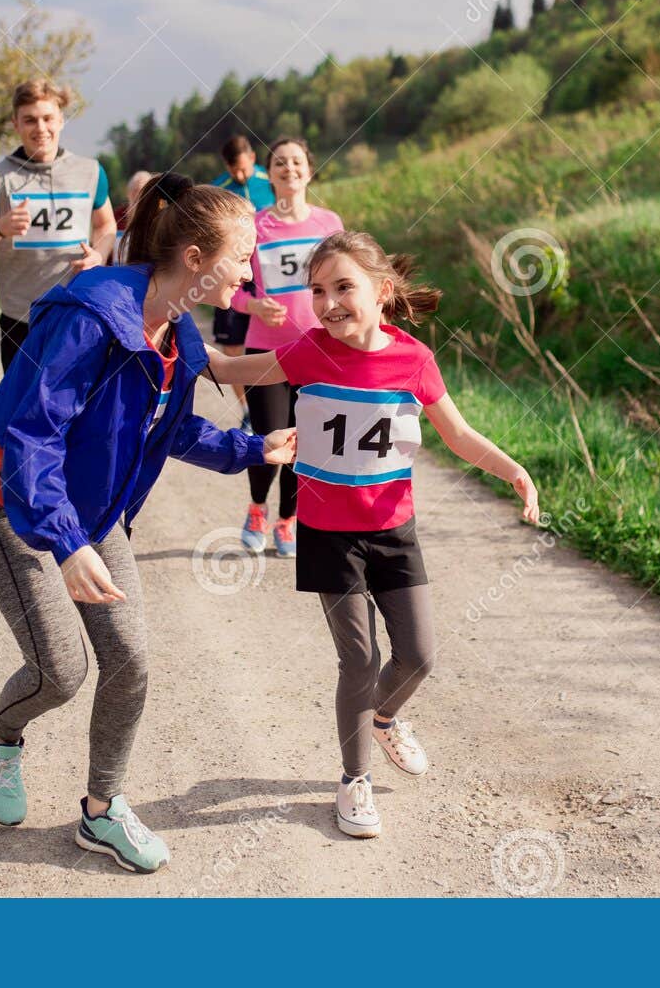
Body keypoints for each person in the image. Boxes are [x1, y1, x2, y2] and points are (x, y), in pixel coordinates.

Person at [0, 174, 296, 873]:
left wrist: (251, 449)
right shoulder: (91, 315)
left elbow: (170, 427)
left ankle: (101, 808)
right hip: (10, 503)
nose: (250, 270)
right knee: (63, 670)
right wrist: (68, 541)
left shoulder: (175, 328)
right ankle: (1, 731)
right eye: (243, 256)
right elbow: (31, 436)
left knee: (131, 661)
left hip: (88, 508)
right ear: (198, 257)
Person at [208, 231, 539, 840]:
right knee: (358, 658)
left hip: (392, 531)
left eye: (343, 288)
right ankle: (353, 780)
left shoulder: (413, 359)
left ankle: (384, 718)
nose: (328, 302)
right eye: (317, 291)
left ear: (382, 292)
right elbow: (229, 367)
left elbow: (459, 437)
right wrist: (169, 330)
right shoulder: (309, 351)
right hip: (329, 533)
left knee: (418, 656)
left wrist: (514, 470)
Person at [226, 137, 343, 558]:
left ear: (309, 170)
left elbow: (345, 283)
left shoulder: (330, 224)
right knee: (267, 439)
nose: (288, 168)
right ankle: (257, 508)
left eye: (296, 162)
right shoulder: (254, 226)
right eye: (280, 162)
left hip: (318, 351)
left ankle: (287, 520)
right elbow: (233, 288)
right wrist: (253, 304)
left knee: (305, 443)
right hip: (266, 352)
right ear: (268, 173)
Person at [0, 78, 118, 371]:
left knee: (73, 410)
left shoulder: (90, 172)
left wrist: (99, 254)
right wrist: (0, 228)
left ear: (60, 120)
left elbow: (106, 225)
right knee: (21, 412)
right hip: (21, 319)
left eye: (48, 118)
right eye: (30, 120)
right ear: (16, 124)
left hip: (77, 312)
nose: (40, 128)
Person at [209, 136, 274, 421]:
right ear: (226, 165)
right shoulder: (219, 189)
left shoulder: (270, 180)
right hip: (233, 271)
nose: (239, 176)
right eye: (233, 170)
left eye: (243, 169)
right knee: (233, 345)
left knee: (270, 338)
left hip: (268, 270)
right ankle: (247, 410)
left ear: (252, 157)